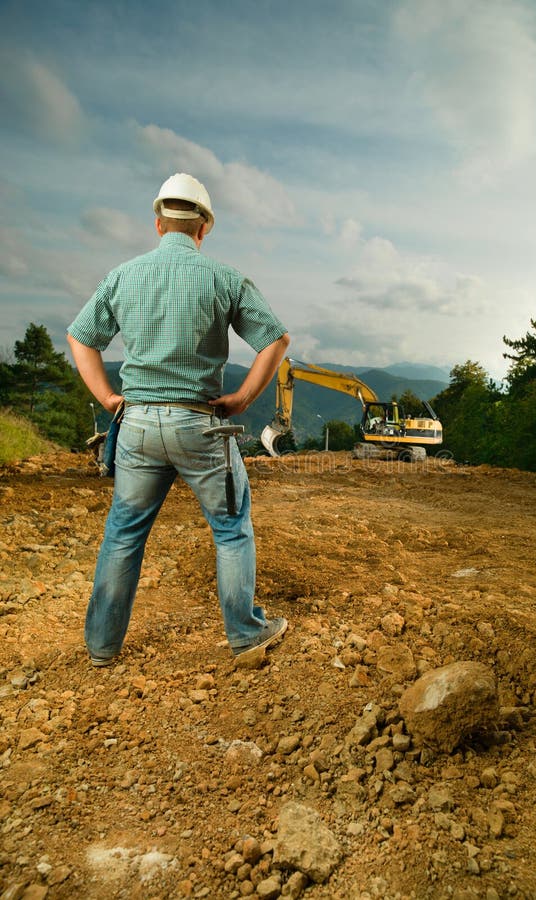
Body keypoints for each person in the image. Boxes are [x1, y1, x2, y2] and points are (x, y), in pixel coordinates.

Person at [67, 172, 290, 666]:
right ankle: (246, 635)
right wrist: (242, 398)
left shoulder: (123, 275)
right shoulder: (226, 279)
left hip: (139, 424)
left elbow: (81, 337)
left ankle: (102, 648)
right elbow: (275, 339)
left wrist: (108, 397)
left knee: (123, 534)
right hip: (201, 424)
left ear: (157, 224)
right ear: (204, 228)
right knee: (230, 529)